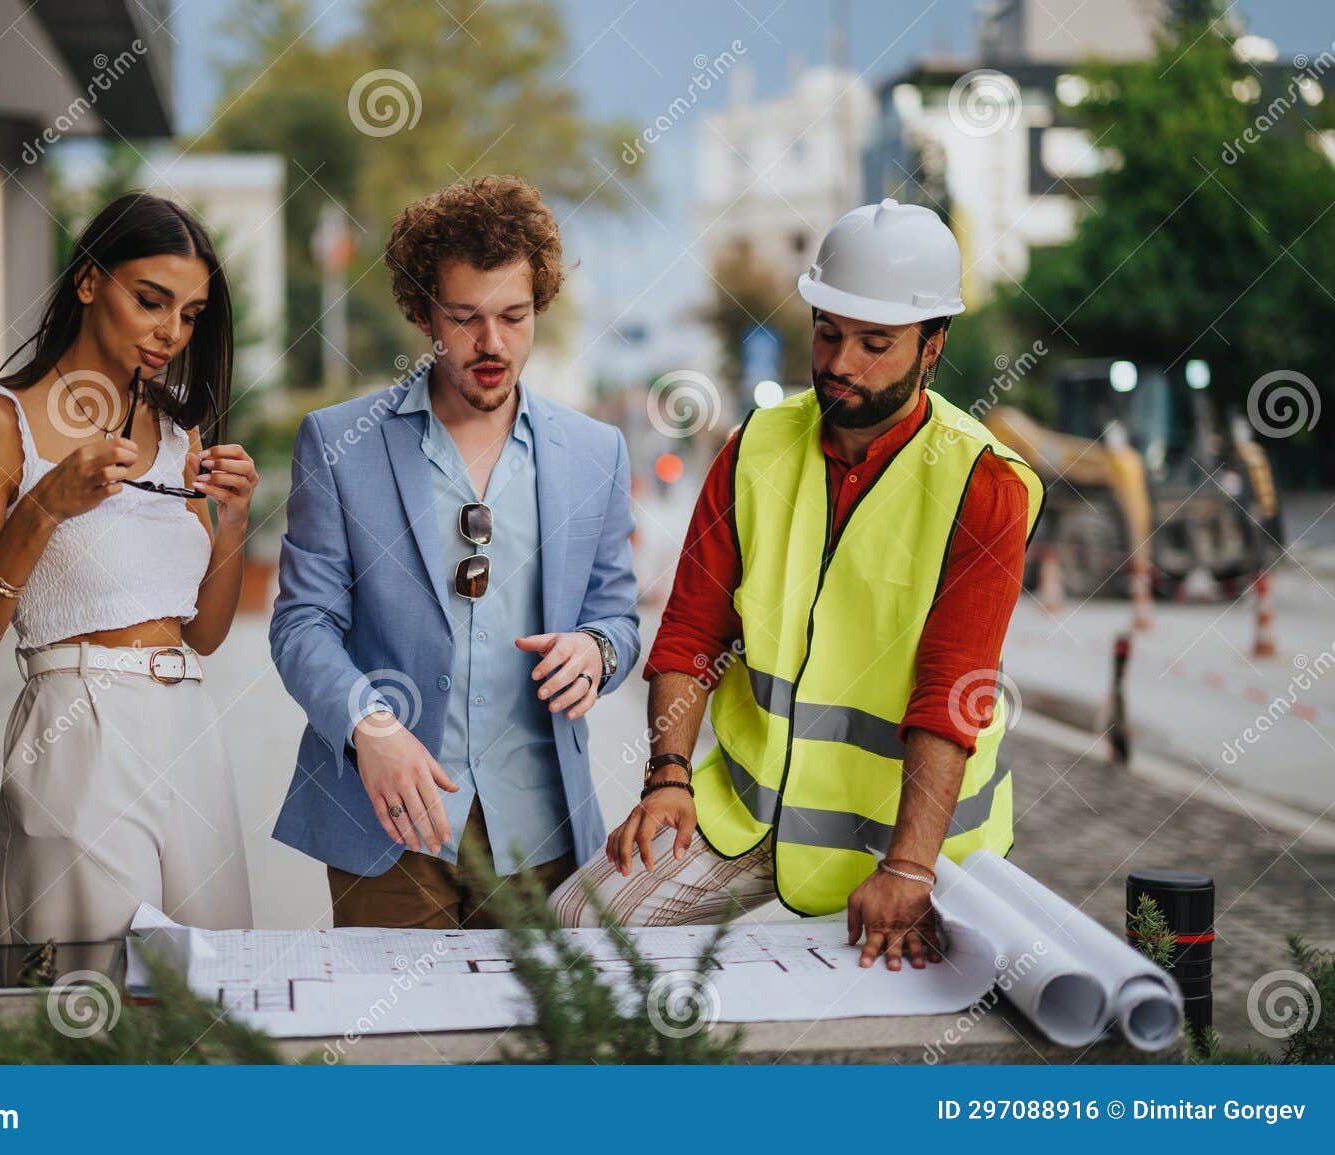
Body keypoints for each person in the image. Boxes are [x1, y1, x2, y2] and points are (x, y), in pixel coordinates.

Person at [552, 199, 1044, 971]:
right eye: (827, 332)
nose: (841, 363)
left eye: (875, 343)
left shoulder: (983, 483)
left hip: (922, 838)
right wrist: (669, 777)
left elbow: (953, 691)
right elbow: (691, 633)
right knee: (581, 922)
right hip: (755, 814)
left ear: (931, 347)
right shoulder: (756, 447)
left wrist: (911, 870)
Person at [271, 175, 640, 929]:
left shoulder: (596, 452)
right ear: (421, 312)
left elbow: (618, 617)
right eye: (465, 318)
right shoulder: (340, 443)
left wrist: (597, 651)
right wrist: (368, 726)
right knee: (402, 1047)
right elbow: (300, 624)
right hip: (388, 825)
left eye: (514, 315)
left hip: (542, 830)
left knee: (536, 1044)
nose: (492, 343)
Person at [0, 192, 258, 944]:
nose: (171, 331)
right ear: (86, 282)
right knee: (94, 1006)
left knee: (215, 1005)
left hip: (190, 728)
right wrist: (43, 509)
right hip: (77, 731)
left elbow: (201, 633)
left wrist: (232, 522)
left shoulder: (180, 430)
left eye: (192, 313)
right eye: (150, 300)